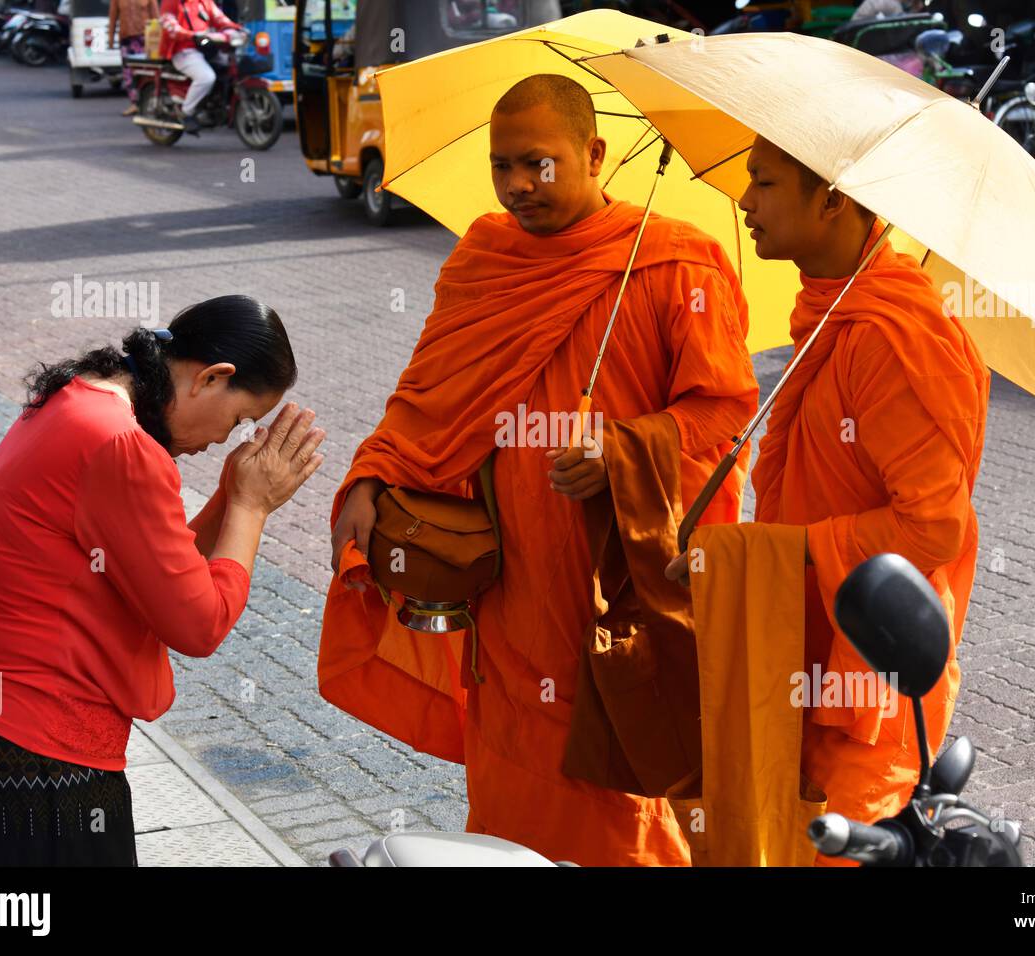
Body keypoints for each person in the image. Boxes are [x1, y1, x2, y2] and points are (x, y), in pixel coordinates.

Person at [321, 74, 758, 866]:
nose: (518, 186)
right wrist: (371, 476)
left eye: (538, 164)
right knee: (513, 791)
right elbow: (427, 395)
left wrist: (625, 446)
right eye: (502, 167)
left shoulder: (673, 265)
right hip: (508, 591)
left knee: (621, 795)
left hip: (612, 593)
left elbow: (725, 415)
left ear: (594, 154)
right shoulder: (483, 260)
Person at [0, 296, 325, 866]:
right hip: (39, 774)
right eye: (238, 420)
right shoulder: (120, 444)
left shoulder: (78, 400)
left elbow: (161, 572)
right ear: (211, 377)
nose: (225, 439)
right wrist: (251, 509)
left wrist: (232, 493)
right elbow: (199, 623)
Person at [668, 137, 990, 866]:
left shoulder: (890, 335)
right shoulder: (834, 310)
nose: (745, 202)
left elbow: (933, 525)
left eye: (765, 182)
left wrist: (768, 552)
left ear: (834, 198)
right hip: (804, 643)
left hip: (871, 667)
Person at [158, 0, 242, 134]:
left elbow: (219, 18)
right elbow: (169, 25)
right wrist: (191, 35)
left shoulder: (204, 2)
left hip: (206, 47)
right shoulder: (171, 2)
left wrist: (236, 28)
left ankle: (216, 104)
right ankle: (186, 112)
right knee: (206, 78)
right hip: (183, 50)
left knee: (232, 68)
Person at [109, 0, 160, 117]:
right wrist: (111, 38)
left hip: (145, 39)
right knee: (128, 73)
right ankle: (134, 103)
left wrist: (159, 38)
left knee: (148, 71)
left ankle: (149, 101)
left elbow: (155, 16)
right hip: (126, 39)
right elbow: (113, 16)